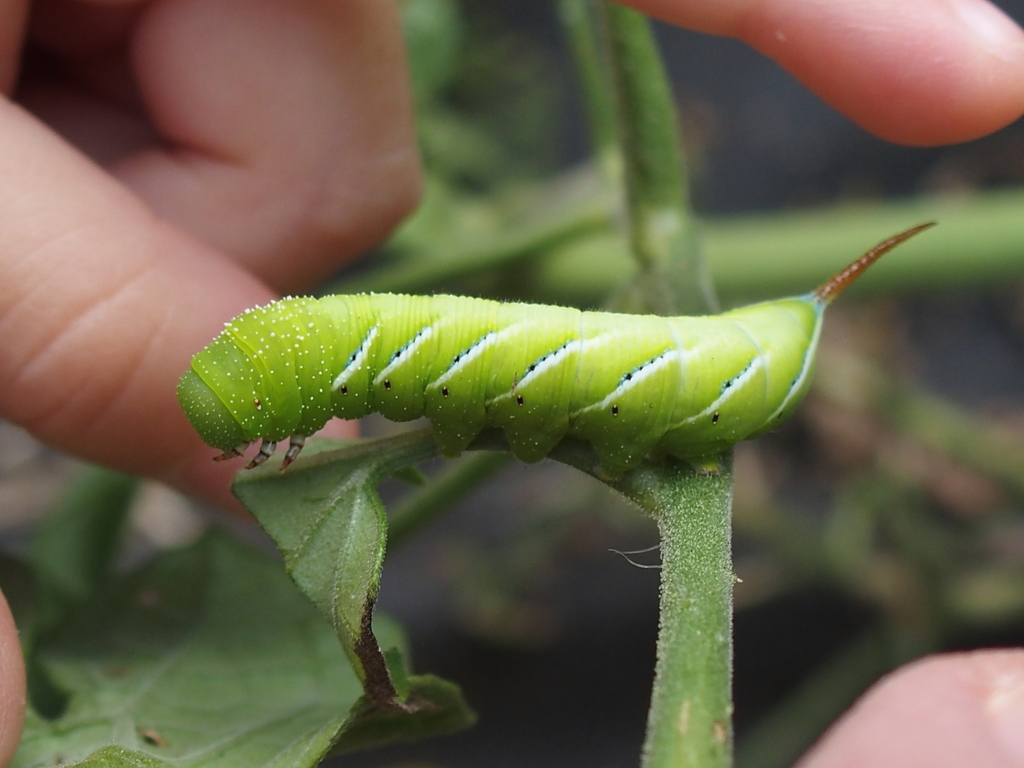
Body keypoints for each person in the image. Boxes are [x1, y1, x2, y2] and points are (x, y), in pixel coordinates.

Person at [0, 0, 1022, 764]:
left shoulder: (366, 364)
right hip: (725, 359)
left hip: (722, 375)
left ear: (301, 400)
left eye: (257, 429)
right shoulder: (360, 347)